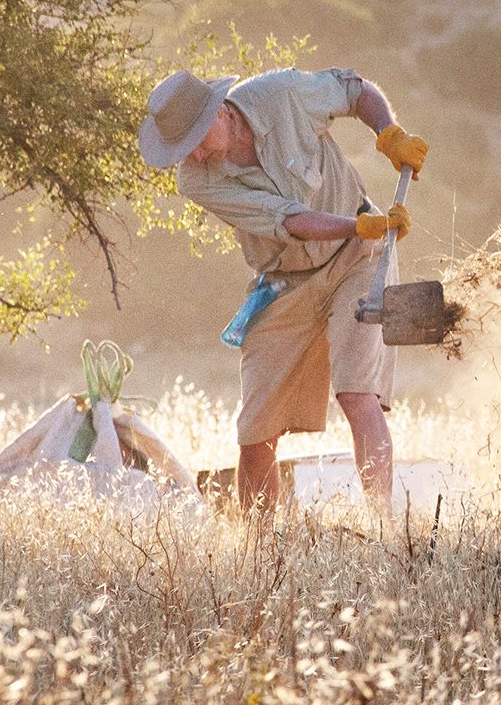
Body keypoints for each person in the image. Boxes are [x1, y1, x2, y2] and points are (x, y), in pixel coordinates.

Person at [137, 67, 428, 514]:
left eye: (194, 139)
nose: (191, 155)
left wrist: (388, 134)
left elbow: (355, 91)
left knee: (356, 393)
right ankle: (260, 555)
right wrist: (359, 225)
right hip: (284, 283)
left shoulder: (283, 92)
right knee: (255, 432)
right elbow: (289, 220)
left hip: (358, 259)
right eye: (180, 148)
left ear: (220, 113)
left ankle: (384, 528)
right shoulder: (196, 181)